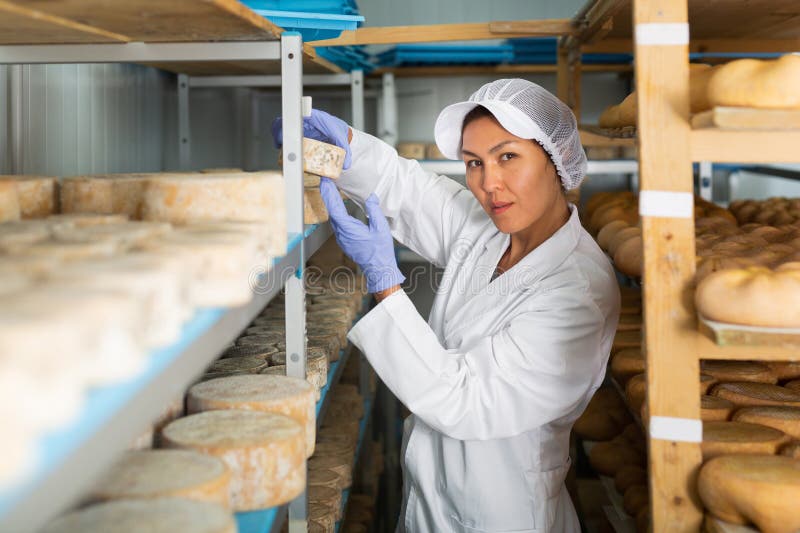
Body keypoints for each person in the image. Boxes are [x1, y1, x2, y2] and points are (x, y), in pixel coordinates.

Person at [273, 78, 620, 532]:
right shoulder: (488, 232)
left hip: (504, 515)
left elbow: (465, 400)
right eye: (474, 162)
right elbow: (409, 189)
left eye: (508, 156)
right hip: (431, 504)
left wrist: (385, 281)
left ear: (557, 162)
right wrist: (349, 148)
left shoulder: (580, 292)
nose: (488, 183)